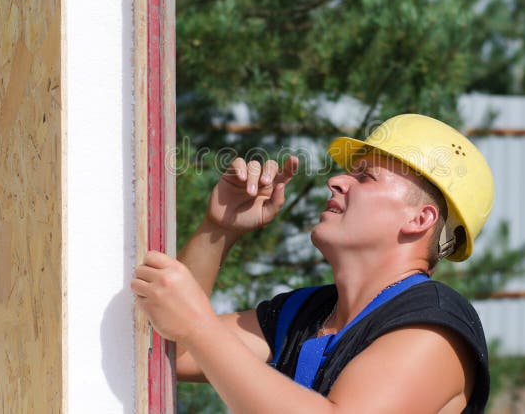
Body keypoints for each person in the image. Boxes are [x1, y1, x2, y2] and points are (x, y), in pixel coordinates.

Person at [131, 114, 494, 413]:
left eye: (365, 176)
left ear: (420, 219)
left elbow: (195, 335)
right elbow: (172, 350)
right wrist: (219, 229)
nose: (336, 180)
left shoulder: (434, 328)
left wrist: (199, 326)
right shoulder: (305, 314)